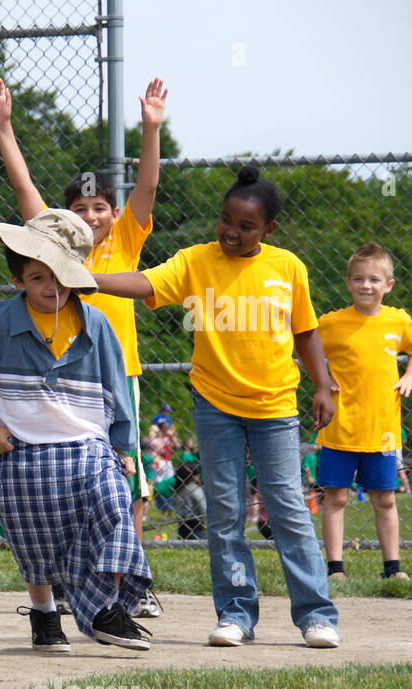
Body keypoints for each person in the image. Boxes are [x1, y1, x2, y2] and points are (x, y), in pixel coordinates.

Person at [92, 165, 340, 648]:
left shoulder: (287, 267)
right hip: (215, 406)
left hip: (274, 408)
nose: (232, 231)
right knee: (225, 512)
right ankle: (236, 614)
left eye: (247, 226)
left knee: (288, 510)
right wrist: (90, 279)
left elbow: (306, 332)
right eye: (226, 219)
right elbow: (144, 283)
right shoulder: (194, 262)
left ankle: (316, 615)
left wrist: (323, 385)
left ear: (268, 230)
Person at [0, 75, 166, 619]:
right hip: (56, 382)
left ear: (115, 215)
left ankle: (125, 575)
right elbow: (23, 193)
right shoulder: (56, 250)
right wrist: (5, 129)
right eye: (80, 208)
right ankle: (65, 581)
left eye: (100, 207)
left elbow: (148, 189)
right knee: (60, 487)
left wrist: (151, 128)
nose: (90, 216)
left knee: (124, 477)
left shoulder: (124, 242)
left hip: (113, 378)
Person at [0, 209, 152, 654]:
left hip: (88, 447)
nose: (52, 287)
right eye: (39, 277)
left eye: (62, 277)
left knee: (116, 507)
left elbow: (117, 393)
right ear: (18, 278)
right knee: (31, 536)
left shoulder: (96, 324)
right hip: (19, 451)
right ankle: (45, 615)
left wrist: (121, 449)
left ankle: (107, 611)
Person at [314, 244, 412, 582]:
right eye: (358, 279)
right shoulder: (332, 323)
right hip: (341, 426)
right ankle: (335, 568)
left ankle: (393, 568)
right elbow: (306, 346)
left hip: (382, 429)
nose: (366, 285)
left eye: (374, 279)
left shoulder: (399, 320)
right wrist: (323, 378)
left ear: (388, 284)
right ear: (348, 283)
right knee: (336, 497)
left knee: (385, 499)